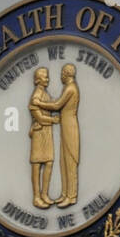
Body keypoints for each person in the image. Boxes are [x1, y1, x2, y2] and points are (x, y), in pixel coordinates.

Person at [46, 64, 80, 208]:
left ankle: (71, 196)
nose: (60, 75)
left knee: (70, 162)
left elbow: (57, 106)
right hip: (65, 127)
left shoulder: (71, 88)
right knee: (63, 162)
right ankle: (65, 194)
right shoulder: (68, 87)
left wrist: (39, 103)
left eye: (62, 72)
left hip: (70, 127)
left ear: (66, 74)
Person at [27, 68, 59, 209]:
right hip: (39, 134)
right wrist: (53, 120)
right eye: (45, 77)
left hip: (47, 133)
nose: (48, 79)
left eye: (47, 77)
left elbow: (53, 106)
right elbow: (39, 117)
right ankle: (36, 197)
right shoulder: (36, 96)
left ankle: (45, 194)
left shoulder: (45, 94)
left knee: (49, 162)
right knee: (36, 165)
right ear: (38, 80)